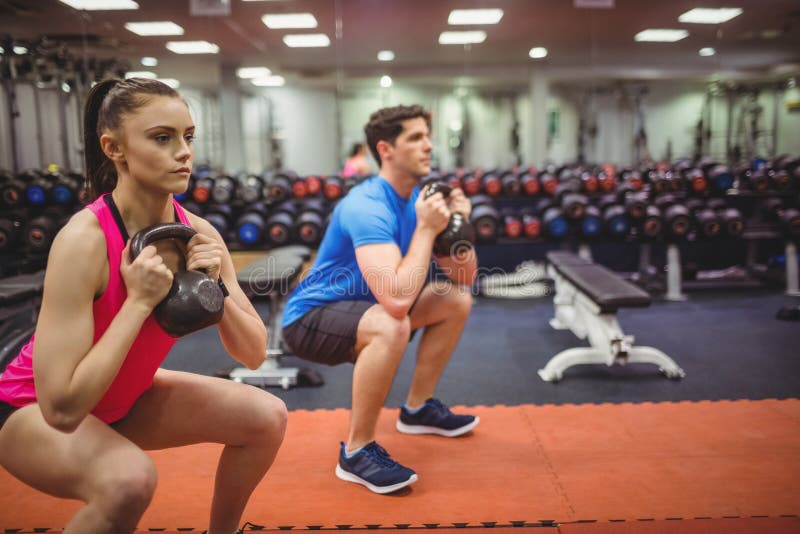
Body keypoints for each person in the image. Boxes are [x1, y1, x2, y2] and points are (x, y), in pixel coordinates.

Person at [0, 78, 287, 533]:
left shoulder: (200, 234)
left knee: (267, 417)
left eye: (188, 136)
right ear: (114, 148)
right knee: (129, 482)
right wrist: (137, 303)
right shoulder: (84, 241)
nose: (184, 151)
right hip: (31, 412)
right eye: (162, 138)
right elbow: (62, 409)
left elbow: (252, 354)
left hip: (123, 400)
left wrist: (218, 289)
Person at [281, 104, 478, 494]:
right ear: (386, 149)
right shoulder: (366, 205)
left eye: (427, 135)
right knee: (393, 322)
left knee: (453, 299)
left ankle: (419, 409)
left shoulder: (419, 199)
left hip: (368, 309)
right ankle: (357, 452)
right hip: (310, 317)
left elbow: (465, 277)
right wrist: (426, 229)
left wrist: (459, 228)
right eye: (416, 138)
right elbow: (397, 300)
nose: (428, 145)